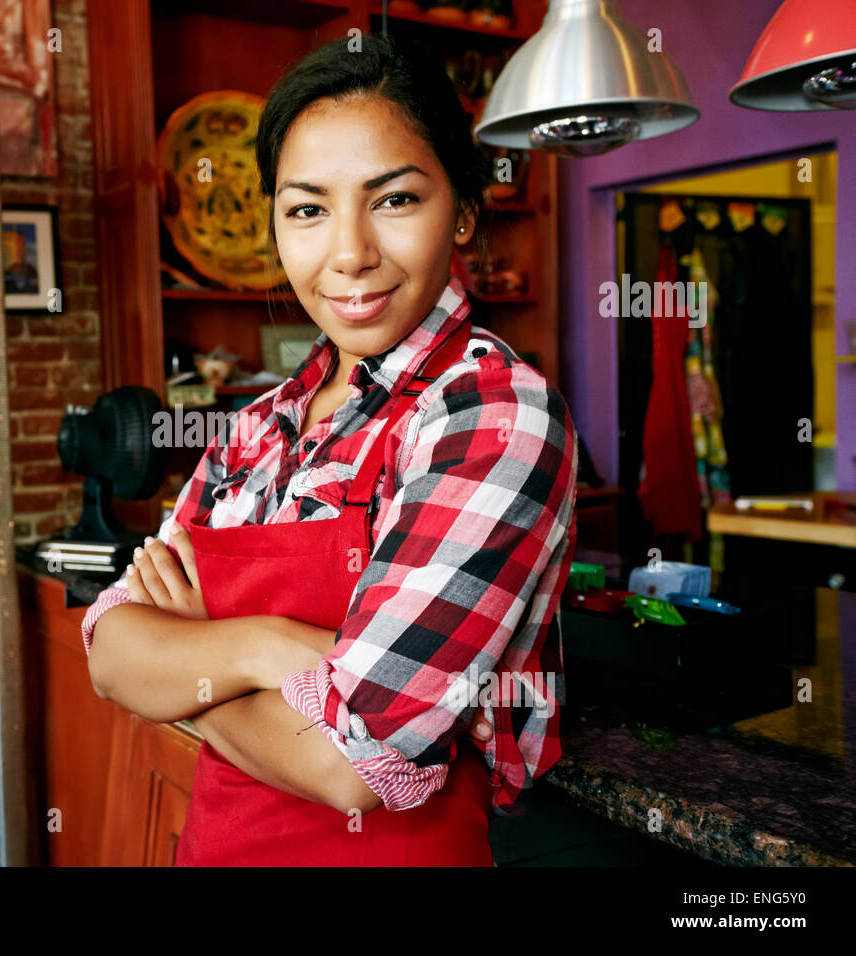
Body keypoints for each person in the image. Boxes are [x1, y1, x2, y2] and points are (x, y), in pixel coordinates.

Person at [81, 35, 578, 866]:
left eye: (394, 200)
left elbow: (353, 762)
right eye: (308, 208)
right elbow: (108, 649)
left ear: (461, 209)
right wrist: (267, 648)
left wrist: (184, 665)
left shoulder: (493, 415)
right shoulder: (257, 427)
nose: (349, 253)